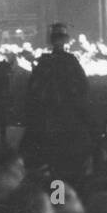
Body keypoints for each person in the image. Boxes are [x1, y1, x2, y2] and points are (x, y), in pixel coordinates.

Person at [21, 22, 91, 185]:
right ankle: (60, 201)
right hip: (66, 119)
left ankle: (53, 200)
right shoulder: (70, 61)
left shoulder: (44, 62)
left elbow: (32, 90)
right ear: (65, 41)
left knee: (48, 164)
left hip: (46, 120)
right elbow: (83, 87)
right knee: (64, 165)